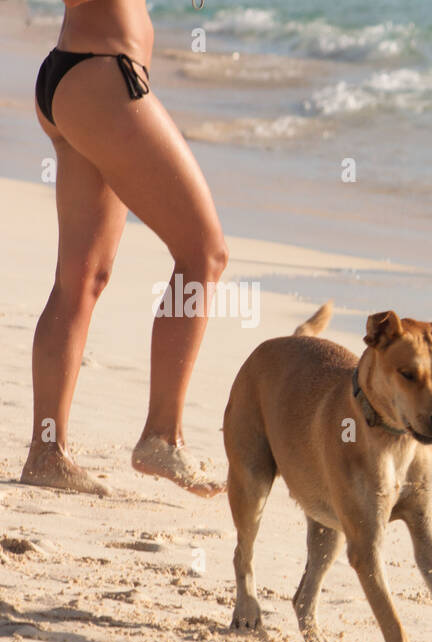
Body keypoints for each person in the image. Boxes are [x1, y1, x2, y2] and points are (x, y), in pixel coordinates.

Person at [22, 0, 228, 497]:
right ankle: (163, 435)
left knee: (81, 279)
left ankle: (46, 454)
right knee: (205, 255)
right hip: (102, 78)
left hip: (77, 76)